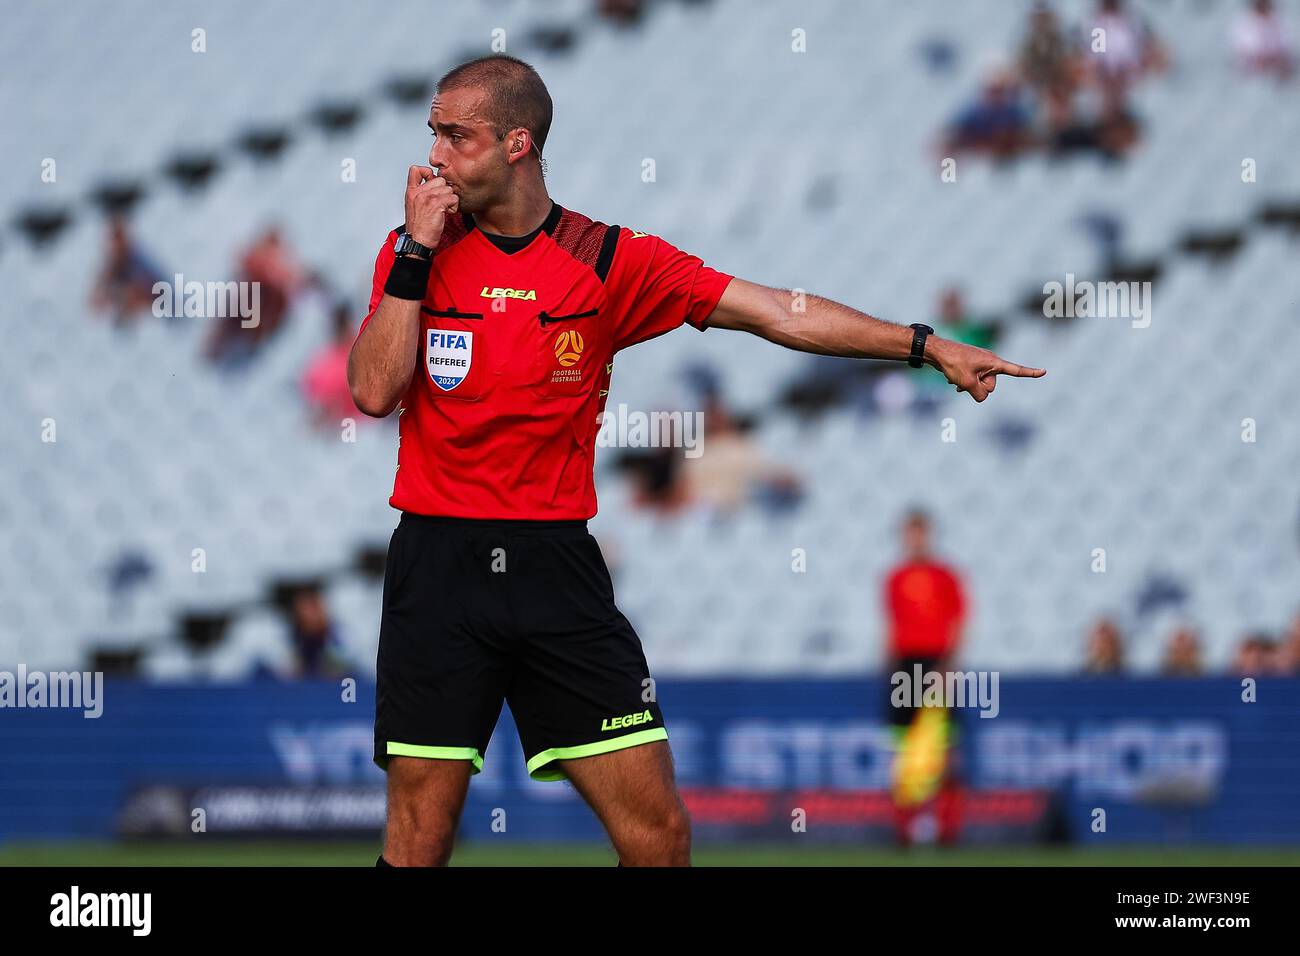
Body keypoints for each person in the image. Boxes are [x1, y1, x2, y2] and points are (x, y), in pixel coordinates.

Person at [348, 55, 1045, 867]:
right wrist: (413, 256)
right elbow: (371, 391)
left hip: (555, 567)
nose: (434, 153)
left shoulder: (608, 259)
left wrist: (923, 346)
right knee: (419, 840)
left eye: (454, 134)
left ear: (517, 143)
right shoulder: (412, 253)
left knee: (660, 836)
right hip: (438, 563)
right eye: (431, 132)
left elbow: (778, 313)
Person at [881, 509, 967, 847]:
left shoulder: (946, 576)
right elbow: (892, 625)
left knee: (942, 751)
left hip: (935, 664)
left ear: (928, 535)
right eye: (908, 533)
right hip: (905, 664)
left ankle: (946, 831)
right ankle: (905, 831)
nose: (914, 540)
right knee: (902, 752)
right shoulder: (895, 577)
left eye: (919, 533)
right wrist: (889, 664)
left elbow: (957, 622)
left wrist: (948, 666)